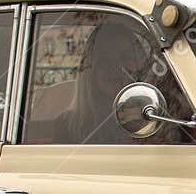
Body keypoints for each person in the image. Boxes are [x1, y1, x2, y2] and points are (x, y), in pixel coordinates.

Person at [52, 16, 167, 144]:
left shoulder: (157, 117)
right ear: (90, 71)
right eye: (105, 61)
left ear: (141, 63)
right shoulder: (68, 125)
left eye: (127, 57)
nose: (117, 68)